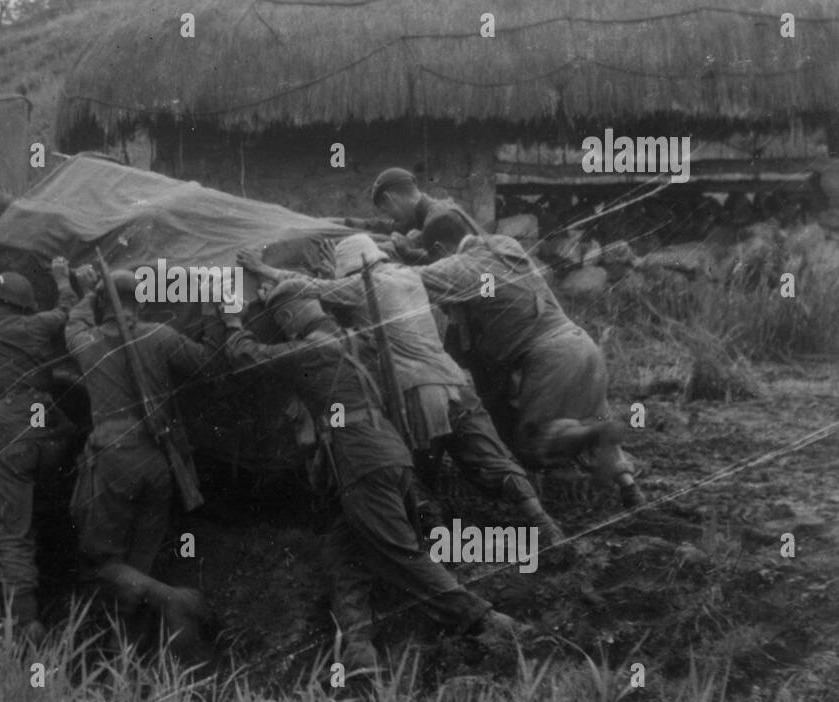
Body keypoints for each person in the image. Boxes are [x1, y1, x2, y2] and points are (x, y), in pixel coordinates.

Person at [219, 279, 519, 674]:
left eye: (281, 320)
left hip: (362, 462)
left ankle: (489, 621)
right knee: (342, 552)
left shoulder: (313, 349)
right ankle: (359, 653)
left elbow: (247, 357)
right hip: (385, 455)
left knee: (397, 553)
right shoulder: (352, 338)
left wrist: (231, 322)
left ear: (290, 316)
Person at [240, 234, 567, 550]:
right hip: (455, 382)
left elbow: (306, 288)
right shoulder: (409, 276)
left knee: (416, 475)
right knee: (493, 459)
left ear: (352, 271)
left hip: (416, 393)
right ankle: (542, 522)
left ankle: (438, 543)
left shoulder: (361, 285)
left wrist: (263, 269)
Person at [417, 212, 642, 507]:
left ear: (438, 249)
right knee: (594, 415)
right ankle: (629, 486)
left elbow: (403, 279)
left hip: (551, 356)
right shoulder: (505, 245)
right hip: (583, 344)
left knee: (533, 443)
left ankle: (590, 435)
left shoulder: (458, 267)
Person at [64, 266, 215, 649]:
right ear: (142, 301)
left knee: (100, 564)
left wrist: (84, 289)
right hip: (159, 461)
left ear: (103, 305)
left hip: (113, 459)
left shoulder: (86, 341)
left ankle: (172, 599)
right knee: (139, 562)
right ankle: (126, 652)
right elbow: (207, 362)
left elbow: (74, 319)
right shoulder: (161, 336)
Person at [0, 262, 77, 645]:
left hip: (8, 434)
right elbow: (67, 308)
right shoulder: (39, 325)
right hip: (48, 427)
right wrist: (62, 276)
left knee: (11, 531)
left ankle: (27, 623)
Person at [359, 168, 483, 264]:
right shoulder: (436, 209)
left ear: (390, 198)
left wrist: (407, 253)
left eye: (386, 211)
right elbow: (385, 226)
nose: (390, 218)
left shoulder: (437, 220)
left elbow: (449, 269)